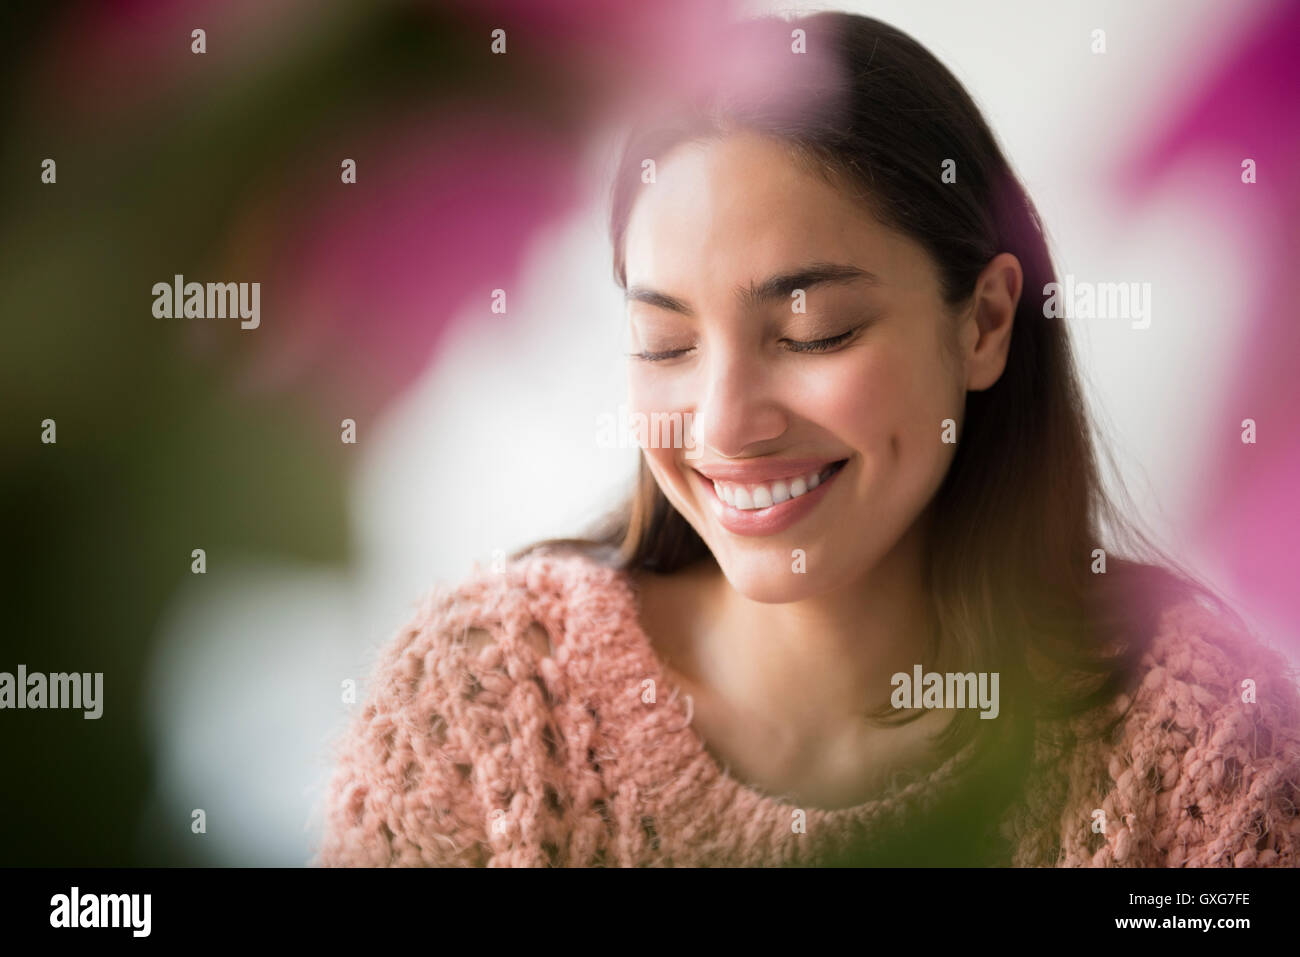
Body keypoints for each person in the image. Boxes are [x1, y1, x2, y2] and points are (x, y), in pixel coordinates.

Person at [313, 11, 1300, 867]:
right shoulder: (487, 702)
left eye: (813, 332)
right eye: (665, 343)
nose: (726, 422)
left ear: (986, 323)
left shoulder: (1200, 754)